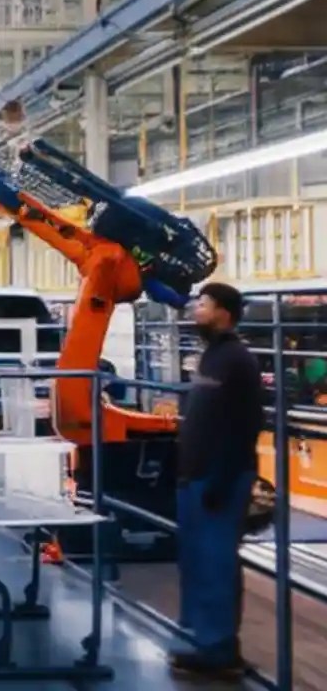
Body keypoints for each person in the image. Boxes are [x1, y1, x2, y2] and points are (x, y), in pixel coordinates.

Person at [172, 282, 262, 679]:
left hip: (220, 476)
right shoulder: (212, 356)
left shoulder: (238, 360)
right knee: (197, 562)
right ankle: (204, 642)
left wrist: (222, 479)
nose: (196, 309)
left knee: (216, 563)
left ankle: (221, 651)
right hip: (196, 475)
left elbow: (246, 425)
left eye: (204, 304)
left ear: (224, 311)